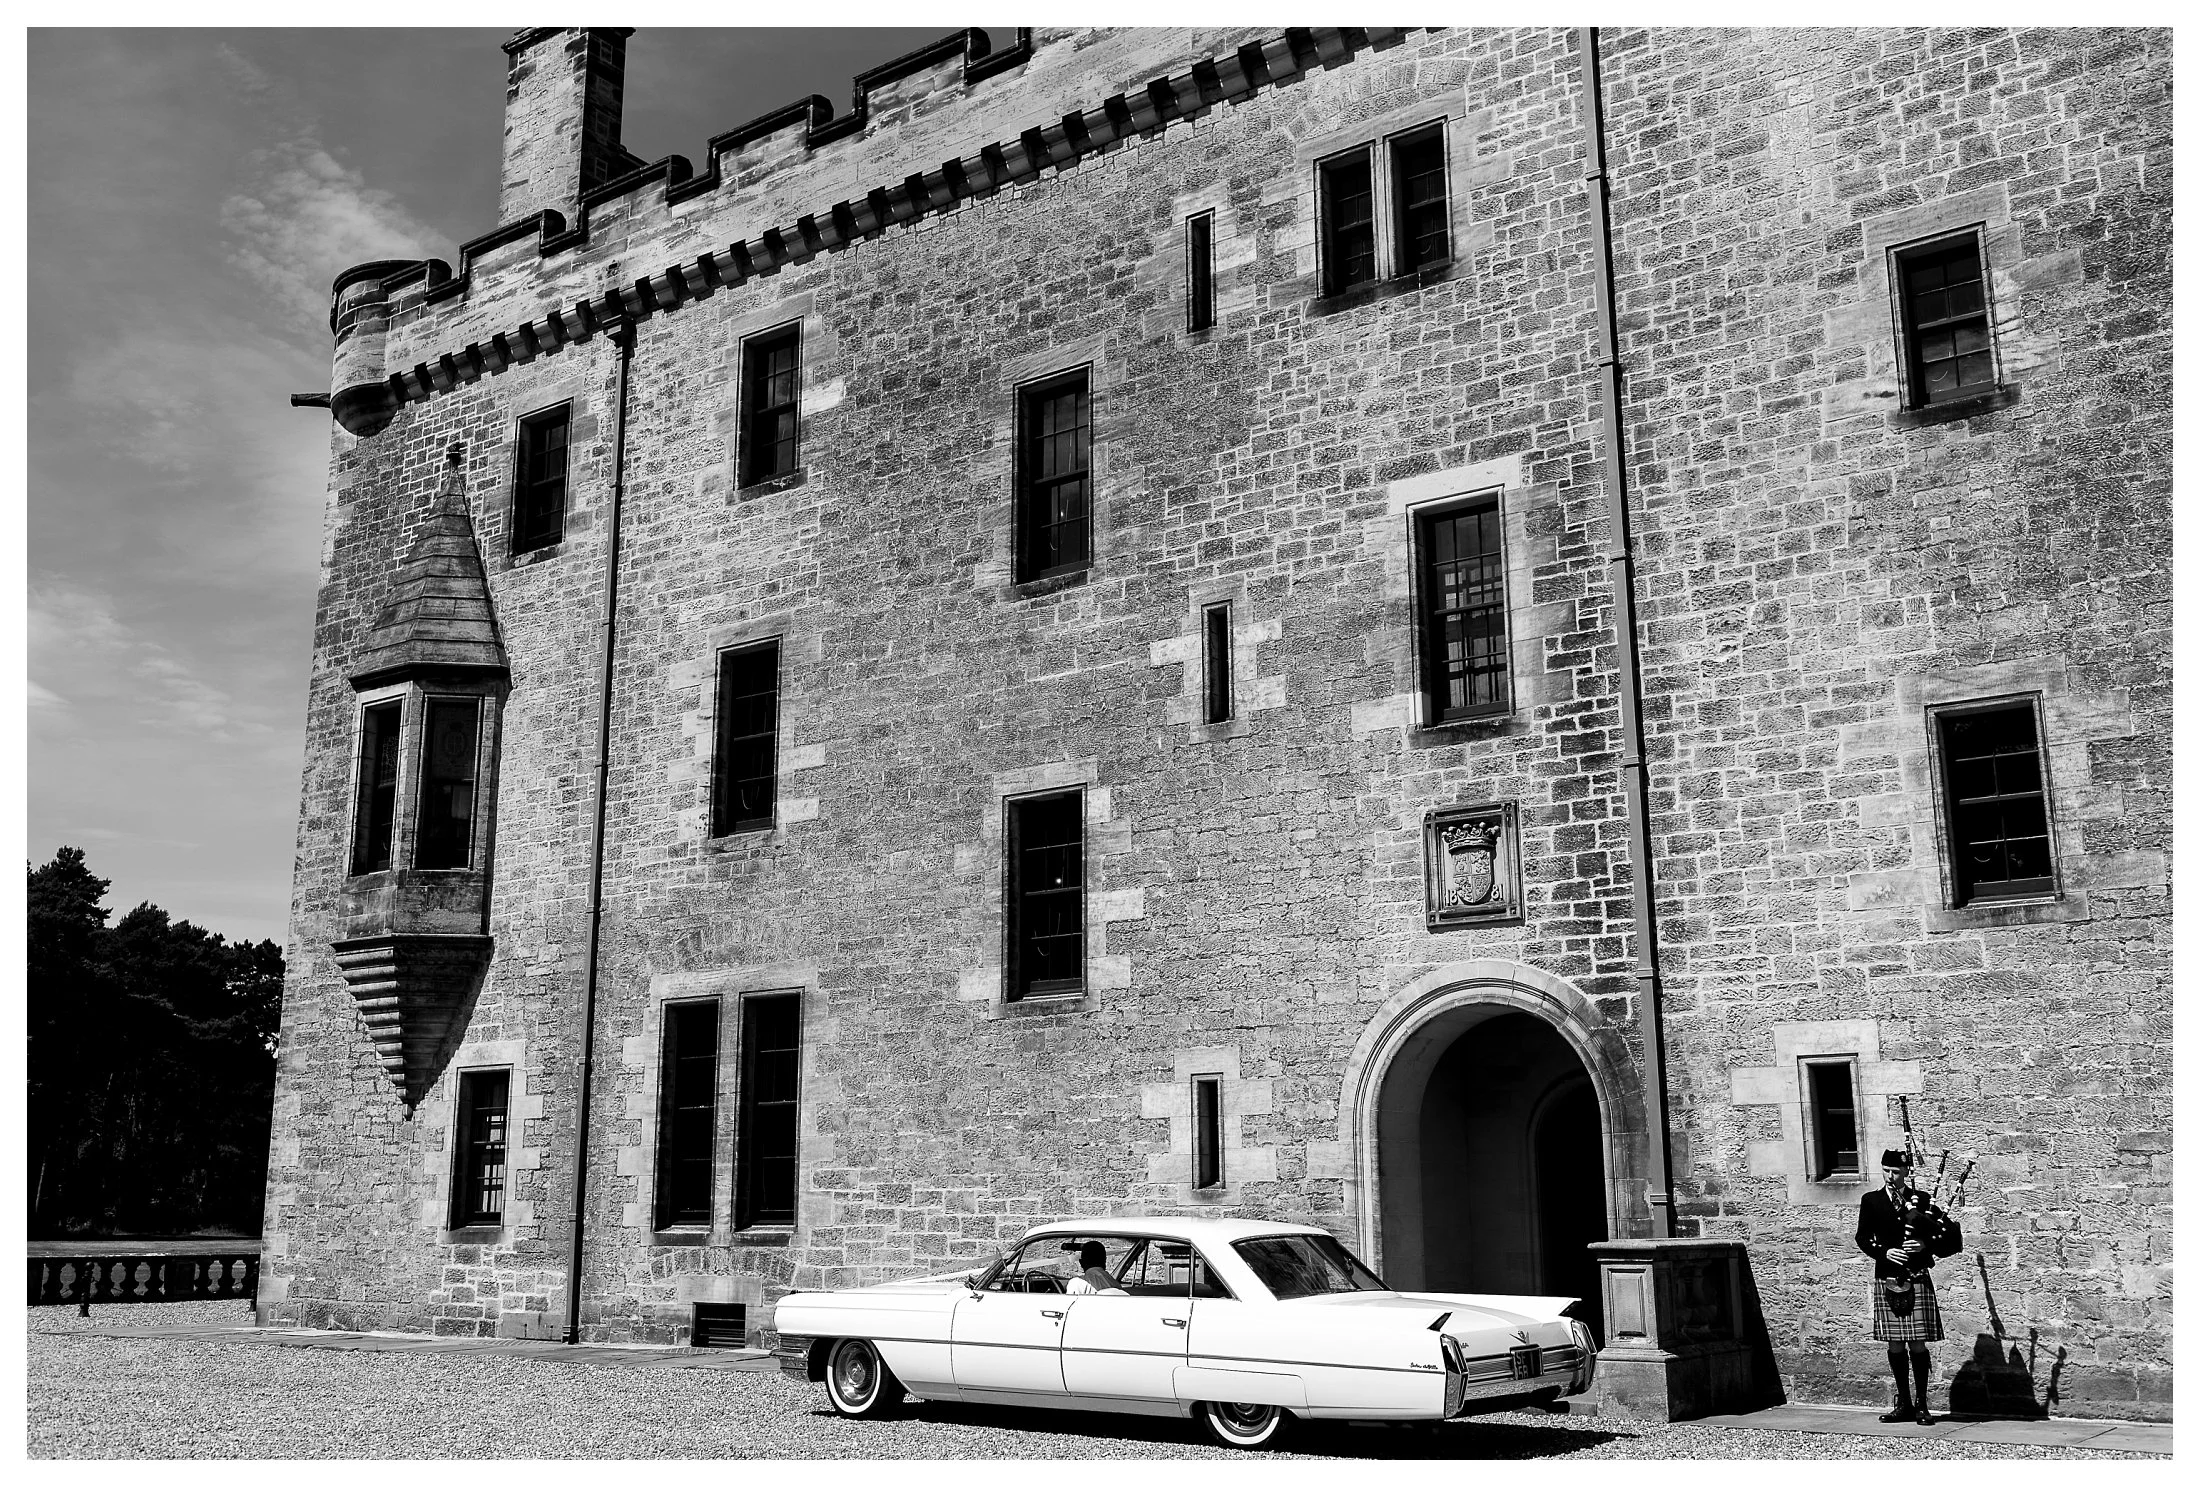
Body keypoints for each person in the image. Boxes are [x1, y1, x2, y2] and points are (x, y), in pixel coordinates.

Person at [1855, 1148, 1962, 1423]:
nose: (1891, 1176)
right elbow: (1863, 1237)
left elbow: (1947, 1234)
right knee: (1895, 1345)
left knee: (1917, 1343)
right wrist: (1884, 1252)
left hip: (1916, 1275)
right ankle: (1903, 1403)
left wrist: (1926, 1244)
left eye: (1896, 1172)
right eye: (1887, 1171)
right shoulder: (1872, 1201)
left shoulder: (1922, 1200)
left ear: (1905, 1173)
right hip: (1888, 1278)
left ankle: (1922, 1404)